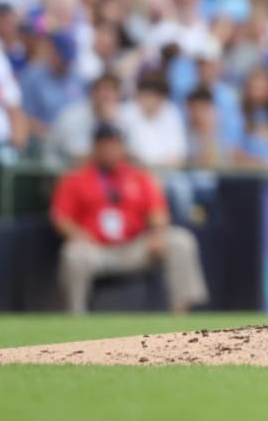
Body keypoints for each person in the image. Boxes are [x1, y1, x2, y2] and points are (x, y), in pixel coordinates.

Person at [49, 123, 209, 314]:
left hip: (135, 246)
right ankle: (74, 318)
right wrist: (77, 234)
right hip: (95, 249)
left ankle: (180, 314)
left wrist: (158, 234)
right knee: (73, 254)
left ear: (122, 147)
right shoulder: (75, 178)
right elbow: (60, 217)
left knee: (180, 241)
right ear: (95, 148)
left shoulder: (139, 177)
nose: (109, 150)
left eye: (114, 144)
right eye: (104, 145)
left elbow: (157, 211)